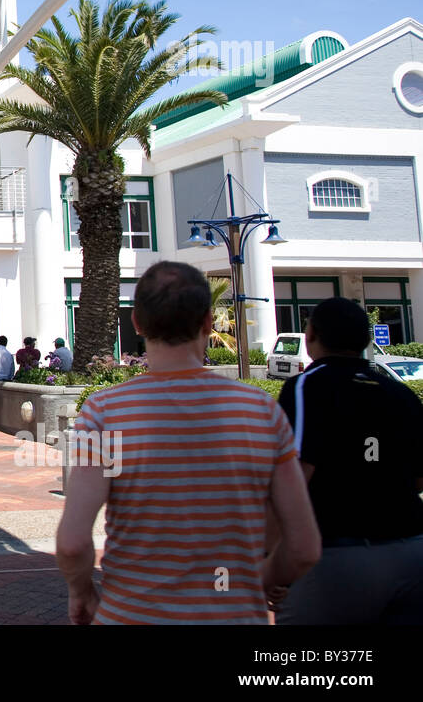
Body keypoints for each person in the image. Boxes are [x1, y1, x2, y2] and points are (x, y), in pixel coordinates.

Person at [55, 260, 321, 624]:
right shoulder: (262, 411)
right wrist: (260, 579)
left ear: (136, 322)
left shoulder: (105, 411)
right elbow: (304, 547)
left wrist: (82, 591)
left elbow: (72, 542)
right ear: (208, 322)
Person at [273, 297, 423, 624]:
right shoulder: (400, 393)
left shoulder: (307, 387)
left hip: (336, 557)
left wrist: (275, 559)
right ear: (367, 340)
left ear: (311, 335)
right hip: (412, 550)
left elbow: (296, 477)